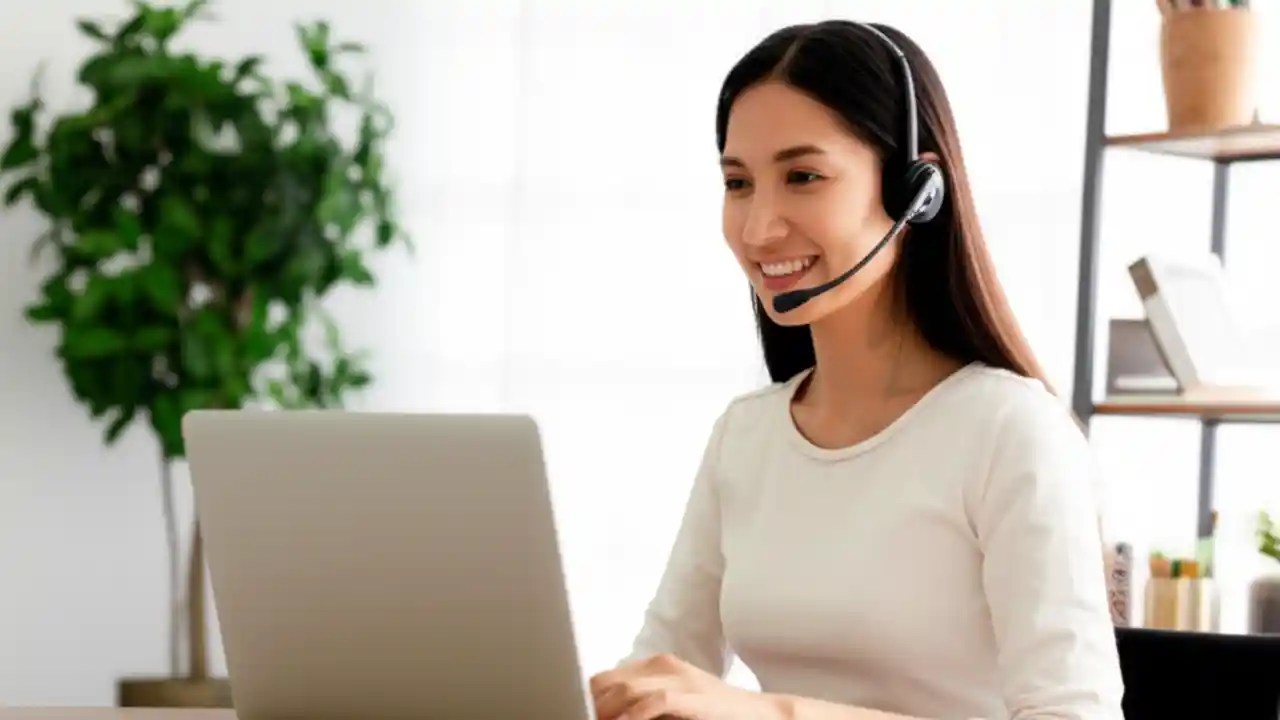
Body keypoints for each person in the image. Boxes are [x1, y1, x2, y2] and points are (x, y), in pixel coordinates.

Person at [587, 19, 1125, 720]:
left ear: (915, 189)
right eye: (738, 182)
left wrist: (773, 713)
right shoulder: (745, 438)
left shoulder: (1010, 431)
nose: (758, 227)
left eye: (803, 176)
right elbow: (664, 671)